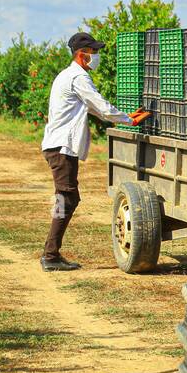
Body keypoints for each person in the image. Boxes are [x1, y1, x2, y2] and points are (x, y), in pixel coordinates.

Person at [39, 31, 149, 271]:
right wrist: (129, 120)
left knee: (65, 197)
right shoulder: (78, 78)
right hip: (62, 147)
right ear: (82, 55)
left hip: (57, 145)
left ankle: (51, 252)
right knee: (67, 198)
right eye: (94, 52)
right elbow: (100, 106)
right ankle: (50, 255)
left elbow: (94, 109)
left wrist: (123, 117)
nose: (97, 56)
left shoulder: (67, 76)